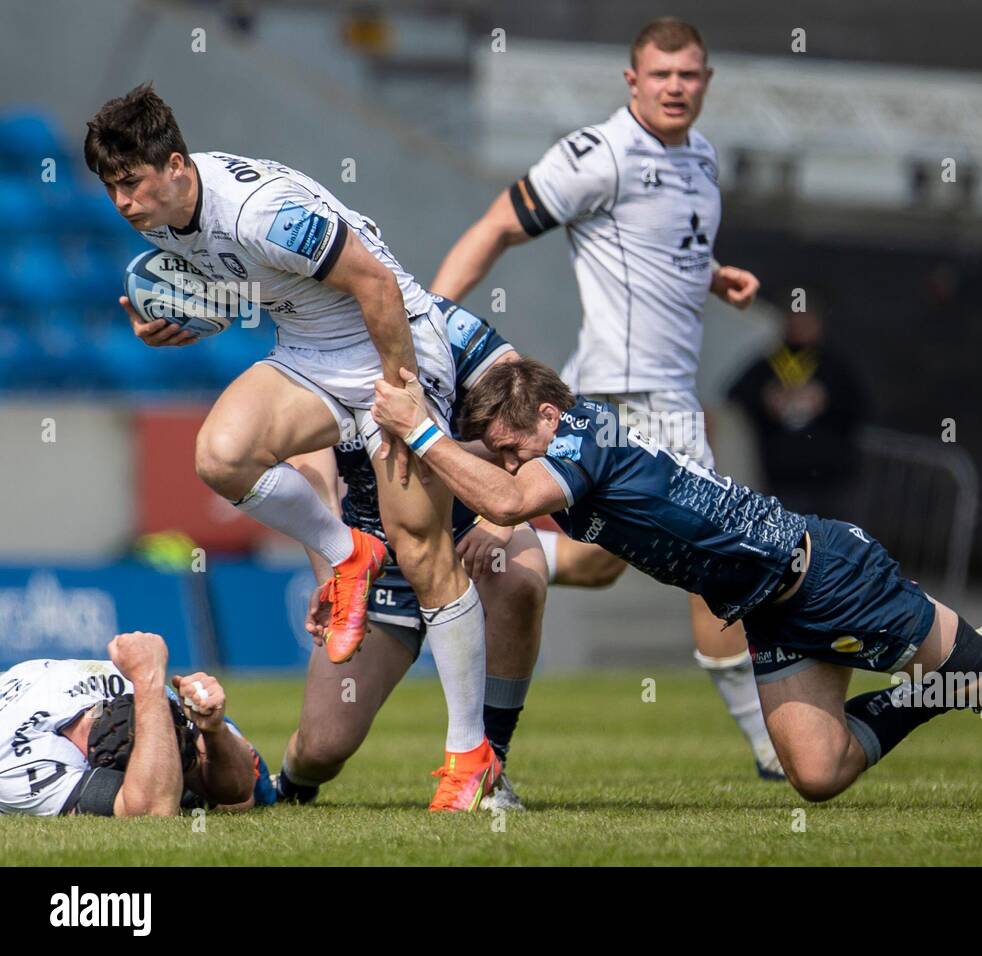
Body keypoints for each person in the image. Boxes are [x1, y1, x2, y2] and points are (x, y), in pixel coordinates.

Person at [368, 358, 982, 806]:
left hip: (827, 578)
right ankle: (934, 694)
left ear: (547, 420)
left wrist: (420, 431)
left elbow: (516, 499)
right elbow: (512, 490)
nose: (510, 460)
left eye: (513, 443)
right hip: (768, 608)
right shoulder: (567, 440)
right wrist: (478, 489)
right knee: (819, 776)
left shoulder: (579, 443)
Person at [86, 85, 494, 808]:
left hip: (393, 346)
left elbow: (373, 281)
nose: (122, 201)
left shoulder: (259, 209)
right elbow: (259, 291)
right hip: (309, 351)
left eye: (131, 182)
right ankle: (347, 556)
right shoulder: (162, 218)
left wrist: (402, 396)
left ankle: (470, 757)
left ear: (175, 164)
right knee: (221, 454)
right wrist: (191, 321)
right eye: (110, 186)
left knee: (422, 549)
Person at [430, 18, 782, 778]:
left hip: (663, 394)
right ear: (633, 81)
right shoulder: (599, 154)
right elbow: (497, 223)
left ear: (706, 81)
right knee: (722, 558)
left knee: (599, 562)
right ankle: (774, 754)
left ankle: (491, 549)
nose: (675, 87)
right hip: (633, 397)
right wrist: (435, 324)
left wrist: (711, 273)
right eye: (660, 75)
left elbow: (662, 238)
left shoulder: (700, 158)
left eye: (688, 75)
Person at [277, 299, 544, 811]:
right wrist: (334, 578)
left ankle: (489, 770)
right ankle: (286, 784)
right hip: (378, 562)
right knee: (323, 747)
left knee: (517, 581)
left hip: (465, 534)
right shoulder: (308, 347)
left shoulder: (456, 331)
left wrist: (498, 522)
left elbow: (535, 435)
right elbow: (315, 482)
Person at [0, 632, 273, 816]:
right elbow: (153, 810)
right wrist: (148, 677)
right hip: (22, 696)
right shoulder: (17, 766)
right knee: (205, 800)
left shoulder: (125, 686)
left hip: (33, 683)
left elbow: (236, 792)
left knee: (242, 795)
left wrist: (214, 730)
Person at [727, 293, 870, 517]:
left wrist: (826, 400)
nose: (800, 327)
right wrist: (765, 399)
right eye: (795, 320)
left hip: (832, 479)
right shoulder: (769, 363)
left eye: (806, 321)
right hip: (783, 476)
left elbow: (860, 405)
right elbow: (735, 394)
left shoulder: (834, 364)